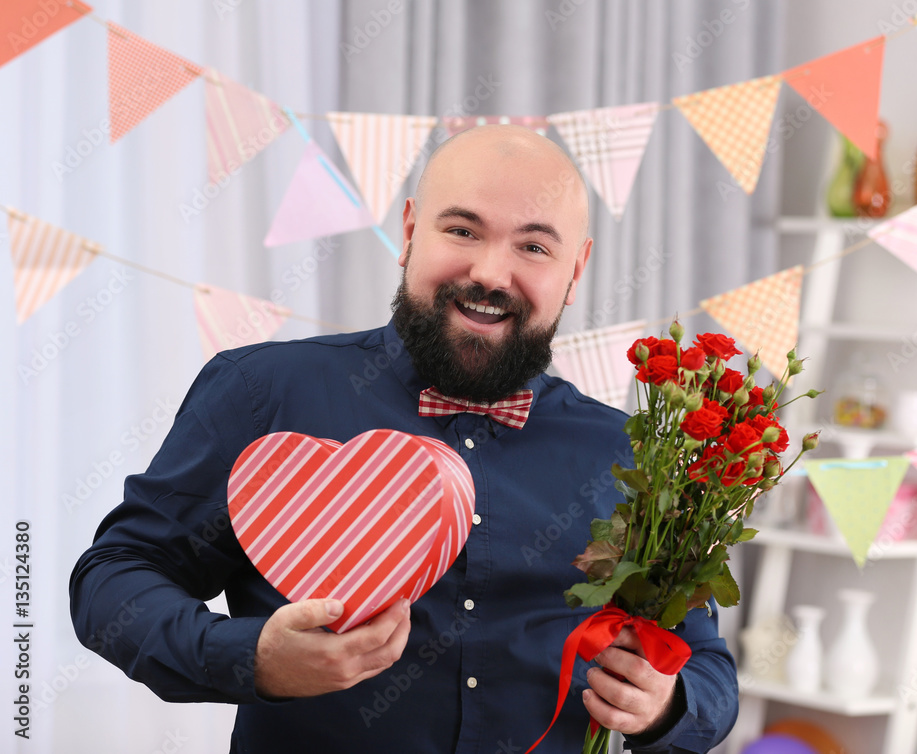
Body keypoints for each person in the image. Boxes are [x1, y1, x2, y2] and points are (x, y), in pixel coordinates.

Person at [70, 125, 738, 752]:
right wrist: (253, 657)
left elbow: (707, 664)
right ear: (412, 230)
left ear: (575, 270)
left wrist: (667, 706)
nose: (491, 273)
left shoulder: (631, 455)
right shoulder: (261, 391)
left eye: (533, 247)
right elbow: (114, 580)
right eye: (463, 230)